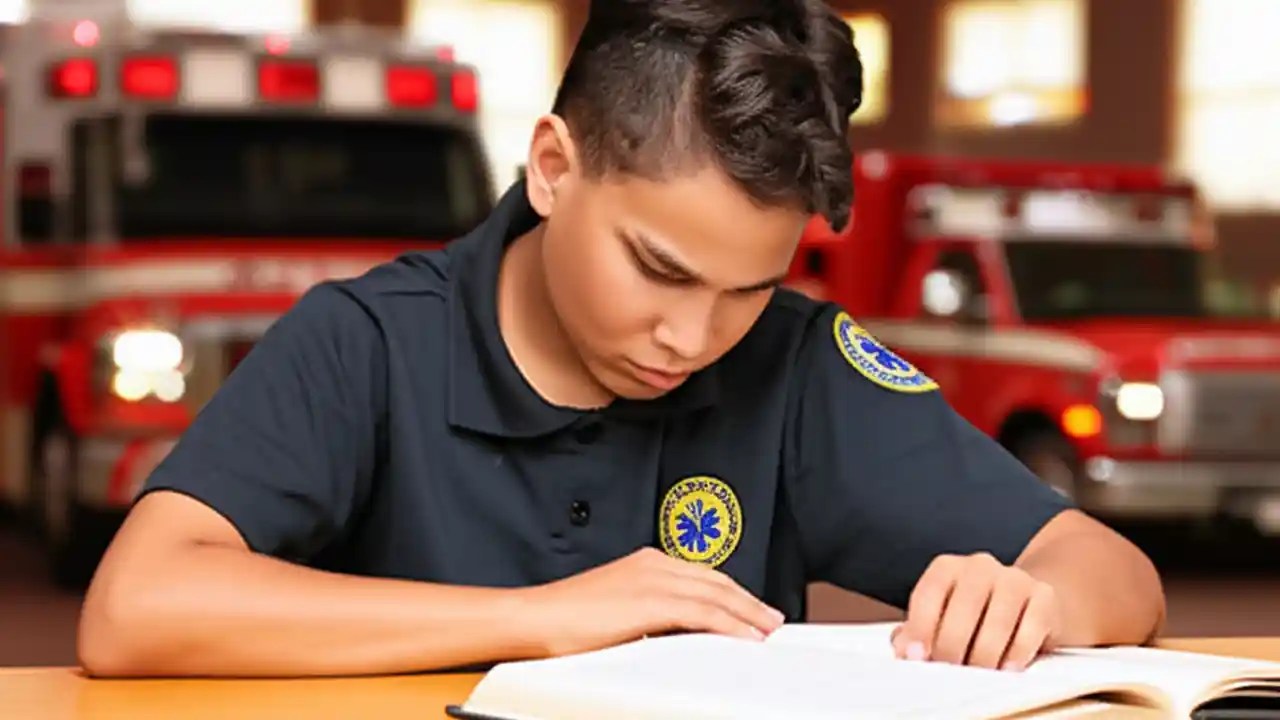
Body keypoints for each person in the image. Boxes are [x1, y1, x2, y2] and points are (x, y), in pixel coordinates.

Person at [78, 0, 1164, 678]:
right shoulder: (364, 342)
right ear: (552, 166)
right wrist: (539, 621)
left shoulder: (789, 363)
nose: (690, 335)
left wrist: (1036, 599)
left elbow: (1110, 572)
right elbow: (136, 610)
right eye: (657, 267)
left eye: (747, 286)